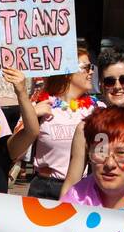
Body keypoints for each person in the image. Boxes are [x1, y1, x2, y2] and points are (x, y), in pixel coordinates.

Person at [60, 49, 124, 197]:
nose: (117, 86)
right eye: (110, 81)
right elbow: (71, 184)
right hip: (97, 214)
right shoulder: (85, 128)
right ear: (102, 86)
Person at [27, 50, 96, 199]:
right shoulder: (40, 105)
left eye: (92, 68)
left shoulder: (97, 110)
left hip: (81, 189)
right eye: (86, 67)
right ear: (67, 72)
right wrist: (31, 116)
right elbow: (14, 151)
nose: (91, 72)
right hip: (44, 189)